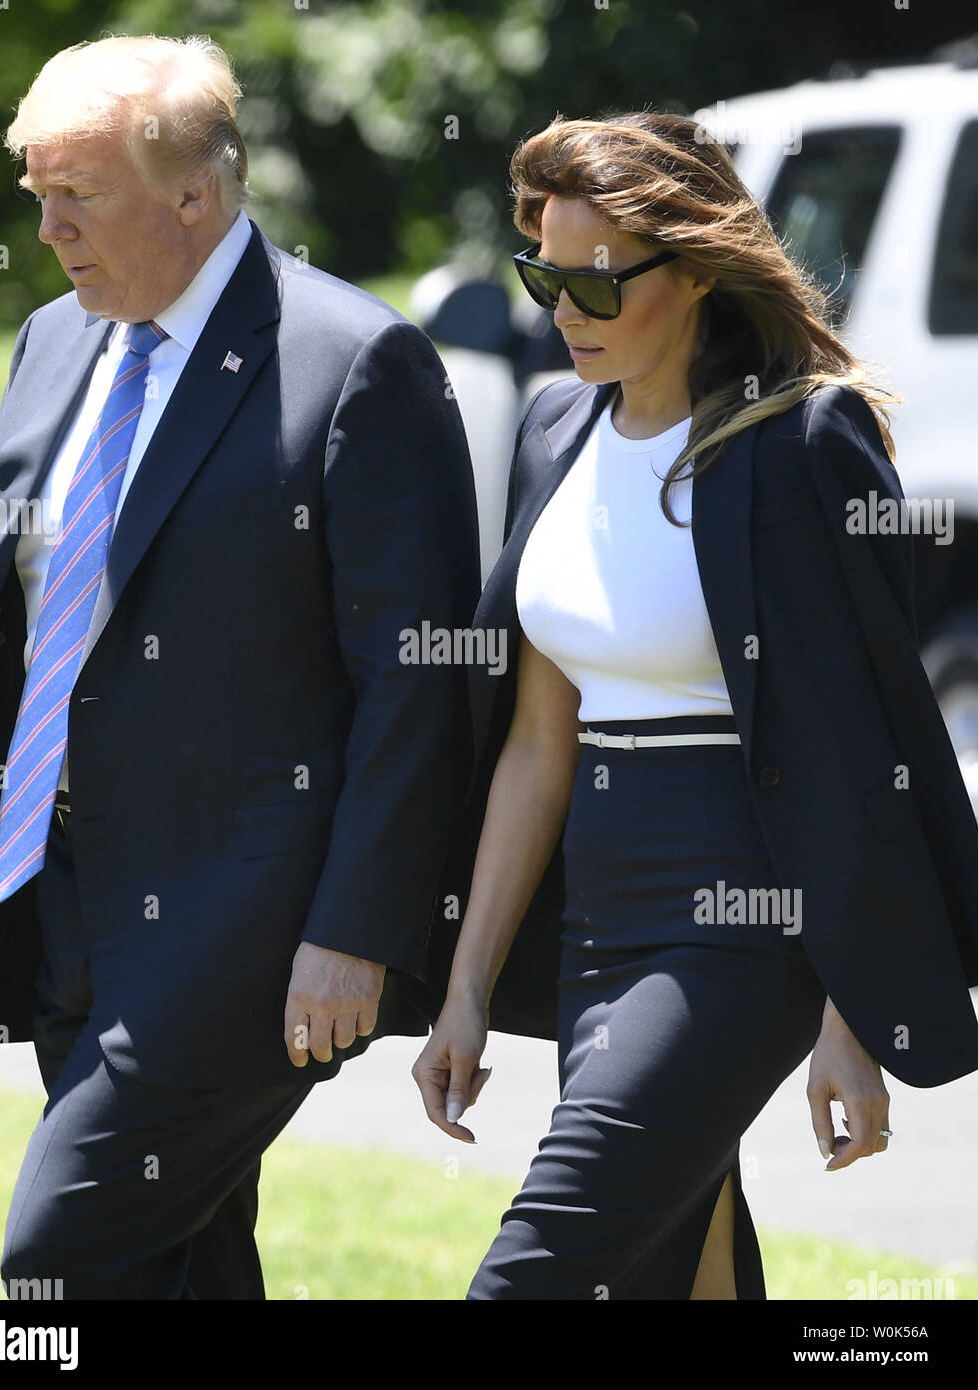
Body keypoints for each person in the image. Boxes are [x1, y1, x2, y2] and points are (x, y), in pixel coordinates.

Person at [0, 33, 479, 1299]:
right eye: (39, 193)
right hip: (62, 894)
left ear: (195, 190)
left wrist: (357, 932)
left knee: (53, 1266)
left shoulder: (353, 364)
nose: (50, 225)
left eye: (83, 193)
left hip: (247, 928)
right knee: (185, 1261)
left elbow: (417, 684)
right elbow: (5, 616)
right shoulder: (50, 343)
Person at [413, 112, 978, 1300]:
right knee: (677, 1260)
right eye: (541, 276)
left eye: (596, 284)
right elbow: (534, 741)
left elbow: (860, 742)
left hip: (744, 924)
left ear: (696, 272)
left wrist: (851, 1010)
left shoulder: (800, 442)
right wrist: (463, 986)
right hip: (597, 924)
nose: (562, 309)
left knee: (537, 1271)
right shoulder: (555, 426)